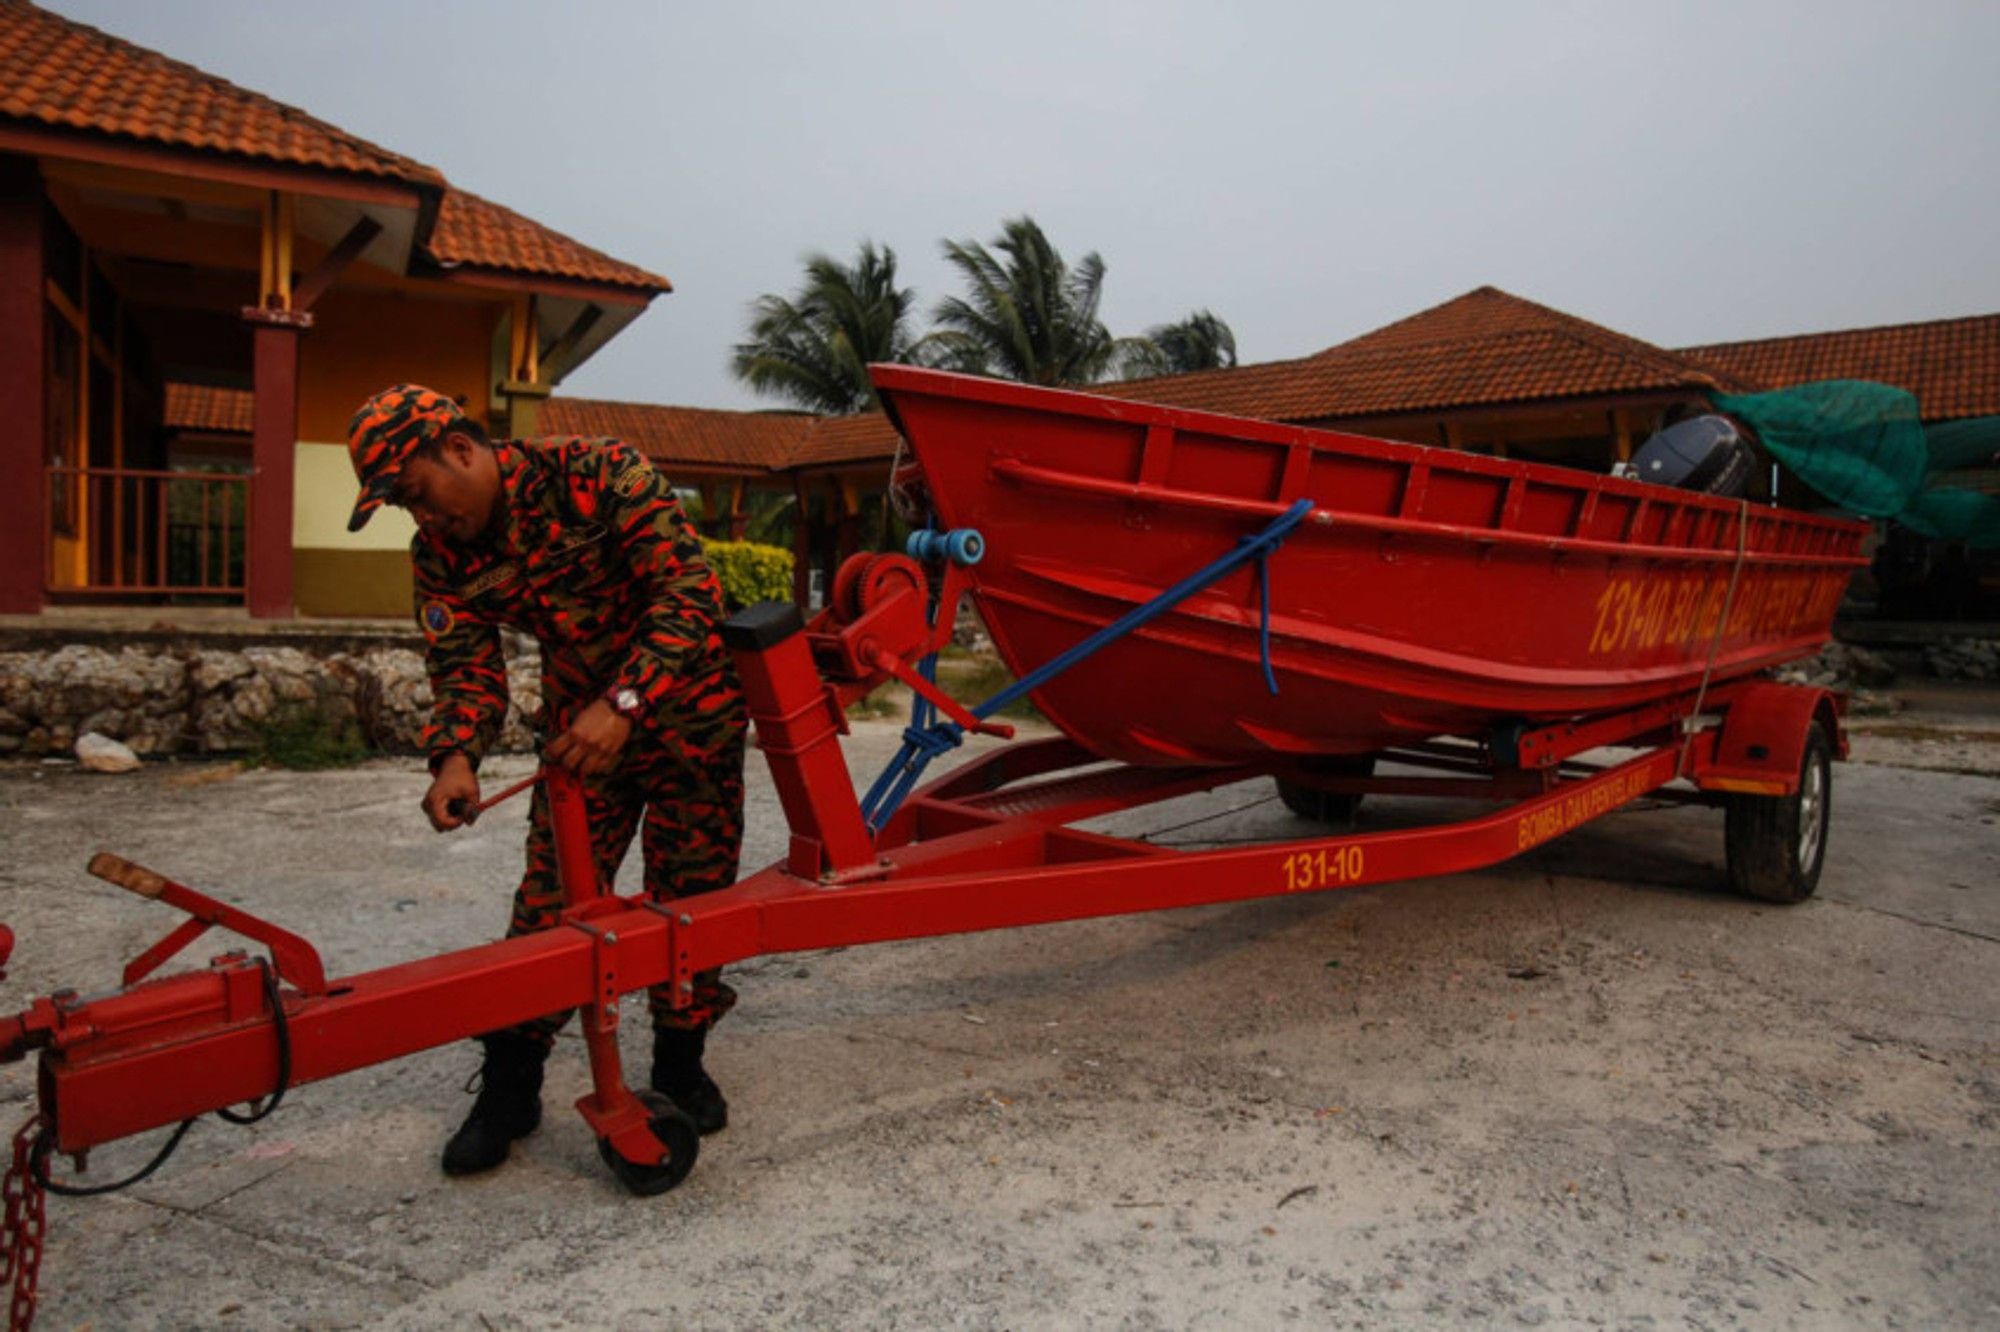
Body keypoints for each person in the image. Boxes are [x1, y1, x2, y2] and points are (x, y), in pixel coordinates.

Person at [345, 383, 747, 1176]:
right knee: (549, 907)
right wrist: (456, 754)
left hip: (689, 719)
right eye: (403, 510)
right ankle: (510, 1087)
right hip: (580, 742)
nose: (422, 520)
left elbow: (688, 591)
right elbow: (464, 666)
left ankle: (677, 1064)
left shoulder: (598, 474)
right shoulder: (441, 555)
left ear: (459, 449)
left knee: (691, 898)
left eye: (418, 495)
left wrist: (625, 703)